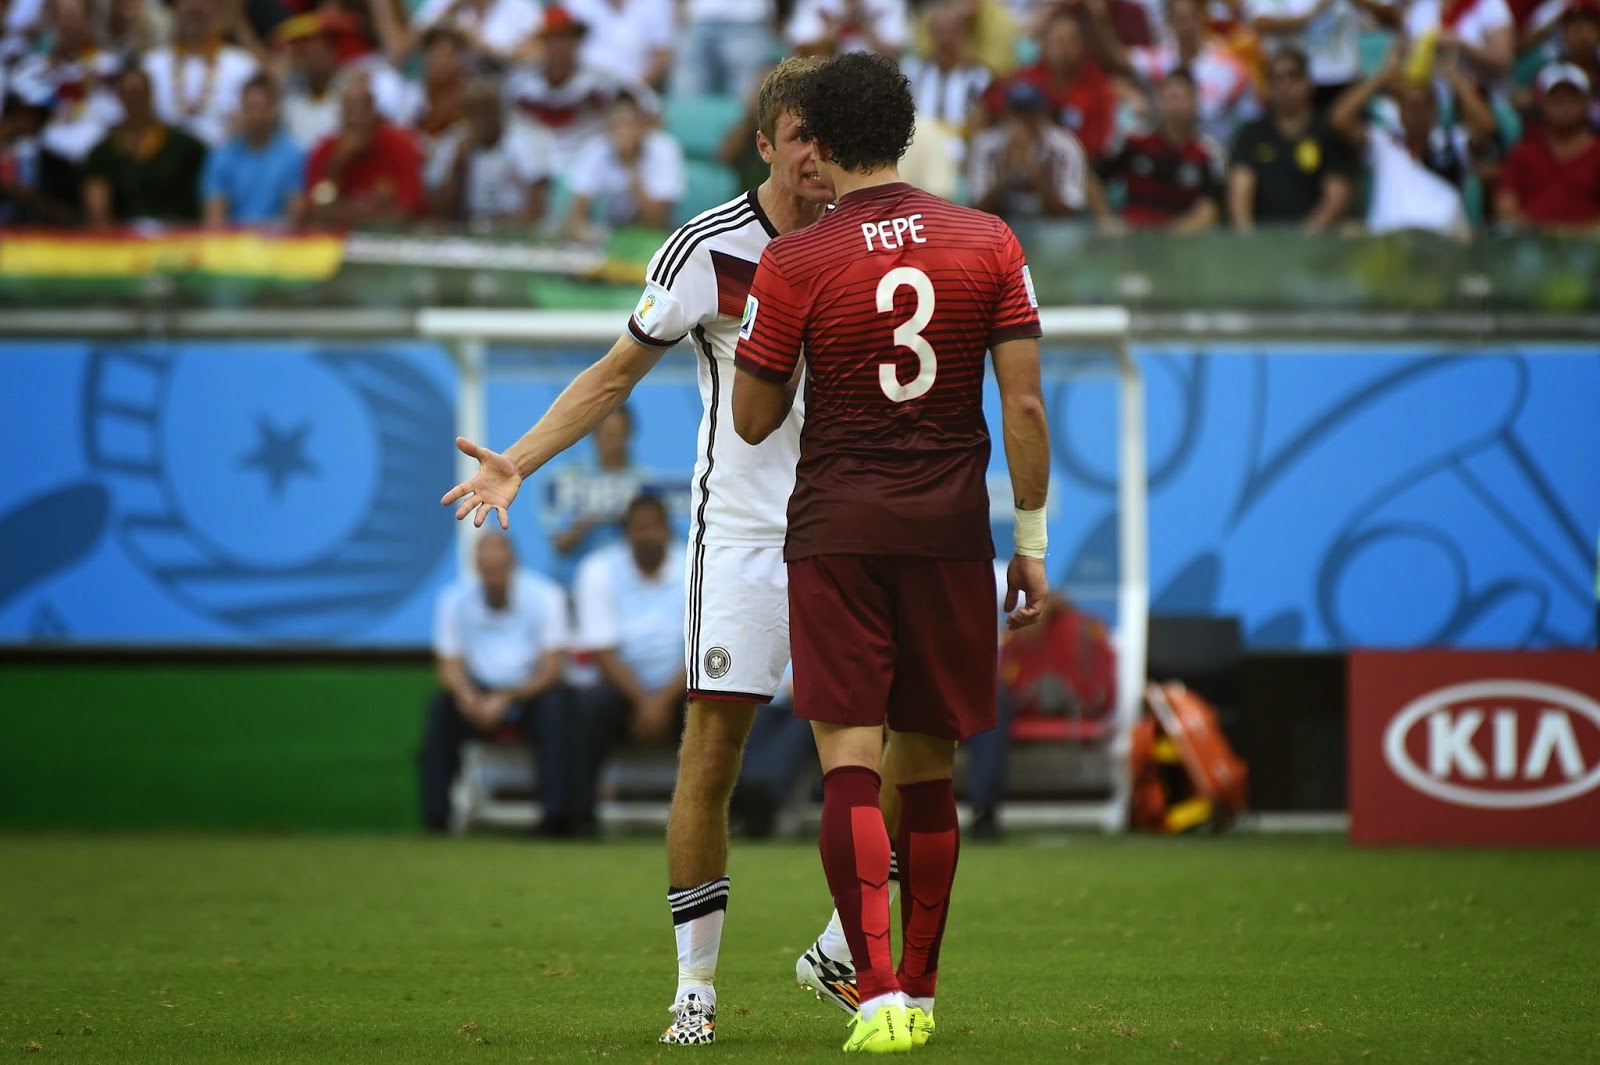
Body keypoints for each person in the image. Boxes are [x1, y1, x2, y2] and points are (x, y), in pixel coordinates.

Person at [441, 58, 847, 1047]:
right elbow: (617, 372)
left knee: (880, 752)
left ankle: (841, 949)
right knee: (708, 757)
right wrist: (519, 464)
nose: (815, 153)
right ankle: (695, 989)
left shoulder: (871, 243)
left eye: (828, 135)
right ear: (763, 142)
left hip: (848, 533)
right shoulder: (705, 249)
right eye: (798, 134)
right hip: (742, 540)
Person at [730, 51, 1050, 1053]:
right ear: (907, 134)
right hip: (951, 533)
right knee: (930, 772)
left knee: (849, 766)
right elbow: (1026, 402)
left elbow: (749, 419)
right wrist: (1029, 540)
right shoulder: (987, 240)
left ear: (815, 145)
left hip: (838, 533)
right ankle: (922, 981)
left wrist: (780, 347)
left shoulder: (793, 262)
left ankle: (873, 993)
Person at [421, 532, 581, 836]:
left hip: (530, 693)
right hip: (478, 693)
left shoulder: (547, 596)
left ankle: (555, 816)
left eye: (500, 568)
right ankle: (436, 818)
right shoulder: (453, 600)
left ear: (514, 563)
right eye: (486, 568)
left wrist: (507, 698)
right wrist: (467, 697)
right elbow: (449, 665)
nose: (494, 577)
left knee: (558, 706)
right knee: (441, 708)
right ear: (476, 567)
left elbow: (551, 668)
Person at [571, 493, 688, 824]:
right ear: (625, 535)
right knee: (587, 708)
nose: (647, 535)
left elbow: (703, 648)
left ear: (668, 531)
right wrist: (645, 702)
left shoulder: (696, 566)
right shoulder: (597, 570)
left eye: (654, 527)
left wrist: (661, 702)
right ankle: (579, 817)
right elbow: (603, 651)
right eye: (638, 528)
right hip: (621, 687)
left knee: (716, 708)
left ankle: (717, 817)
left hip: (682, 685)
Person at [1227, 46, 1357, 231]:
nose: (1285, 85)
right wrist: (1248, 241)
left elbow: (1336, 194)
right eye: (1277, 78)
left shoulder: (1327, 132)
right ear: (1269, 87)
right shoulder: (1251, 133)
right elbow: (1240, 189)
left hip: (1315, 238)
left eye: (1293, 76)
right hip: (1262, 239)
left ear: (1309, 83)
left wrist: (1303, 240)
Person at [81, 65, 208, 228]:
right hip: (123, 240)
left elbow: (205, 203)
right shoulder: (102, 153)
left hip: (176, 238)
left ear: (151, 94)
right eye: (129, 93)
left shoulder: (186, 147)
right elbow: (99, 215)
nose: (135, 100)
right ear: (119, 97)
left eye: (141, 93)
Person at [1098, 67, 1224, 231]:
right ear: (1159, 101)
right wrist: (1105, 219)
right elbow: (1095, 178)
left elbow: (1210, 207)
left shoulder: (1208, 153)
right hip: (1131, 234)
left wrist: (1176, 235)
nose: (1176, 105)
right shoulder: (1134, 140)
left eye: (1182, 98)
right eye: (1171, 97)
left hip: (1181, 238)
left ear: (1195, 102)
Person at [1496, 61, 1600, 230]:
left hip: (1590, 247)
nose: (1564, 104)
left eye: (1572, 97)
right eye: (1556, 98)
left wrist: (1571, 235)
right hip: (1532, 245)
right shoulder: (1522, 154)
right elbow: (1506, 210)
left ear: (1586, 103)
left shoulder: (1597, 154)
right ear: (1542, 103)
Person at [202, 74, 307, 226]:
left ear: (274, 110)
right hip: (231, 243)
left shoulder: (294, 156)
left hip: (278, 243)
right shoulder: (222, 157)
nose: (255, 116)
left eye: (261, 108)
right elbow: (214, 218)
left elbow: (295, 218)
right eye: (249, 108)